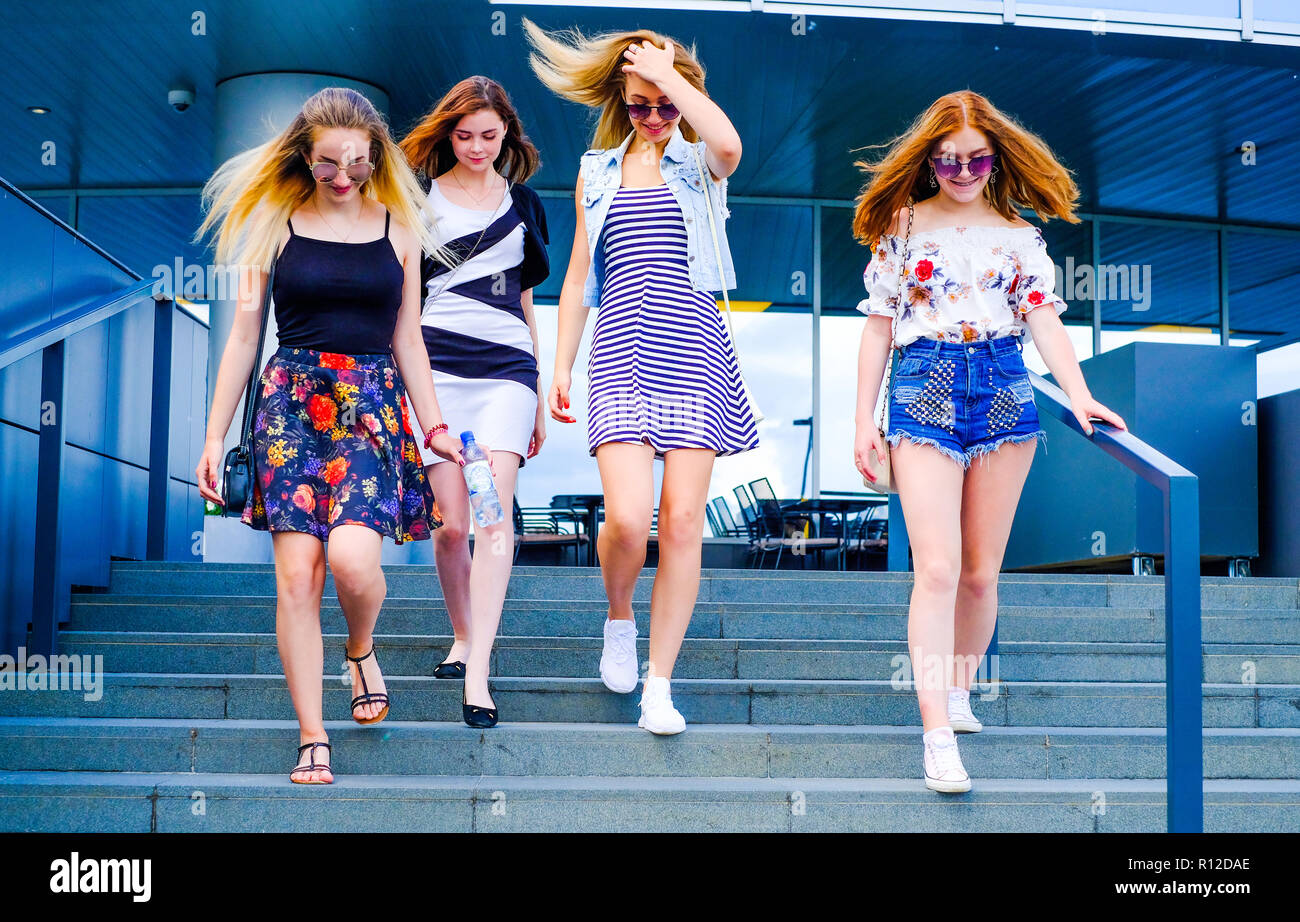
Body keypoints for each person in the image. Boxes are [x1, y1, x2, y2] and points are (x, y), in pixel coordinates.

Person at [851, 90, 1127, 793]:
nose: (963, 171)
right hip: (925, 381)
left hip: (1005, 383)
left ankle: (959, 690)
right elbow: (879, 326)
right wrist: (862, 423)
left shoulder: (1019, 235)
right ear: (929, 159)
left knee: (980, 573)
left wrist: (1081, 391)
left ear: (996, 157)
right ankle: (936, 735)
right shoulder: (902, 225)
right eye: (947, 160)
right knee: (937, 569)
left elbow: (1043, 320)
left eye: (976, 159)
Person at [194, 87, 465, 783]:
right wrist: (211, 435)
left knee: (352, 561)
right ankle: (313, 734)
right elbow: (244, 337)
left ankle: (360, 648)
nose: (342, 176)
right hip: (289, 407)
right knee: (297, 576)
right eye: (326, 164)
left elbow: (409, 338)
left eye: (356, 163)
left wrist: (432, 424)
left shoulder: (401, 228)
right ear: (304, 158)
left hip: (370, 405)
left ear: (375, 156)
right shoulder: (273, 222)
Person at [526, 19, 758, 735]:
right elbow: (576, 282)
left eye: (665, 103)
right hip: (622, 346)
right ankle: (619, 617)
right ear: (618, 104)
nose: (654, 117)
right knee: (628, 521)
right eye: (639, 104)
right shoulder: (595, 173)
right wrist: (558, 362)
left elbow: (728, 145)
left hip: (694, 346)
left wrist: (671, 75)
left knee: (683, 524)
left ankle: (660, 684)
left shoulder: (698, 163)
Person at [398, 76, 551, 728]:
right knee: (450, 526)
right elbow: (406, 305)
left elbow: (524, 301)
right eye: (464, 135)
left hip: (506, 380)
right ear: (447, 133)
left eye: (489, 135)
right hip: (440, 376)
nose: (477, 146)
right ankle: (461, 632)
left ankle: (479, 671)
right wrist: (416, 391)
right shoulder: (418, 200)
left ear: (507, 135)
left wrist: (538, 392)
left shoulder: (526, 205)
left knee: (492, 521)